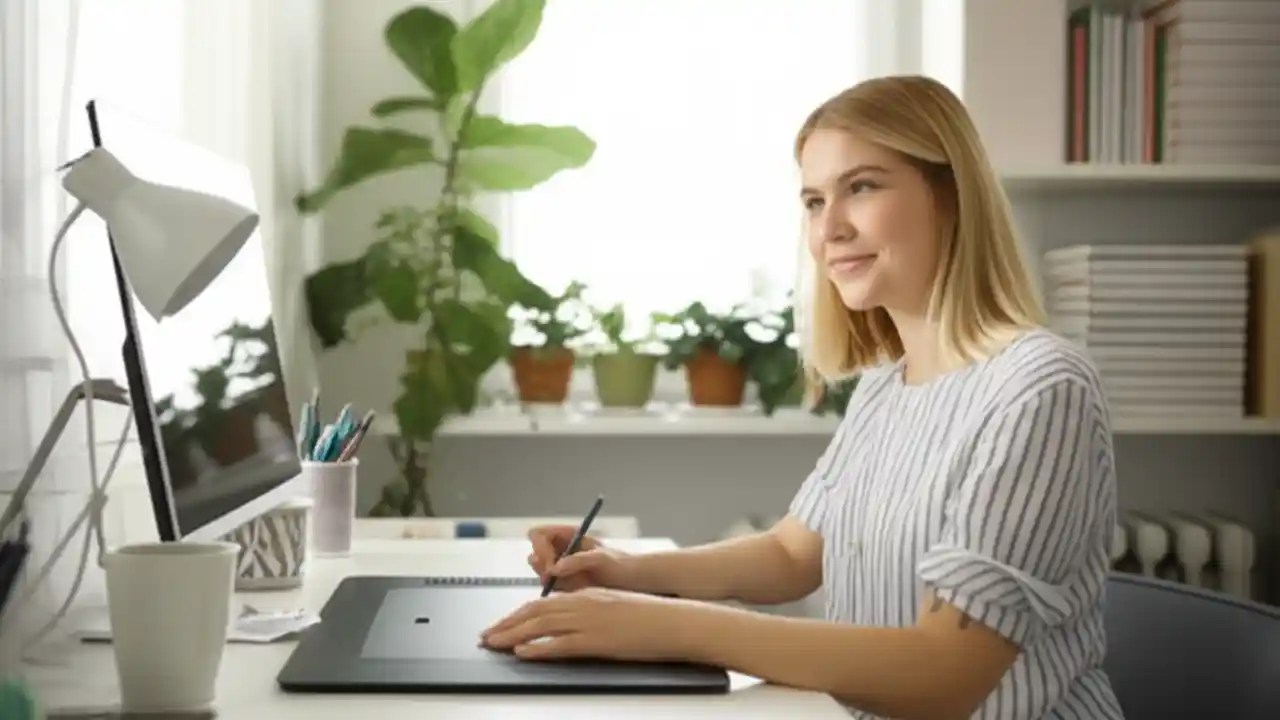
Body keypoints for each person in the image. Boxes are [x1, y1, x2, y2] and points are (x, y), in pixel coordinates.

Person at [481, 74, 1125, 720]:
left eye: (862, 187)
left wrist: (665, 626)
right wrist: (625, 571)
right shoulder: (886, 386)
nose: (830, 229)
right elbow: (792, 554)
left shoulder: (1040, 388)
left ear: (950, 195)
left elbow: (944, 672)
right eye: (815, 201)